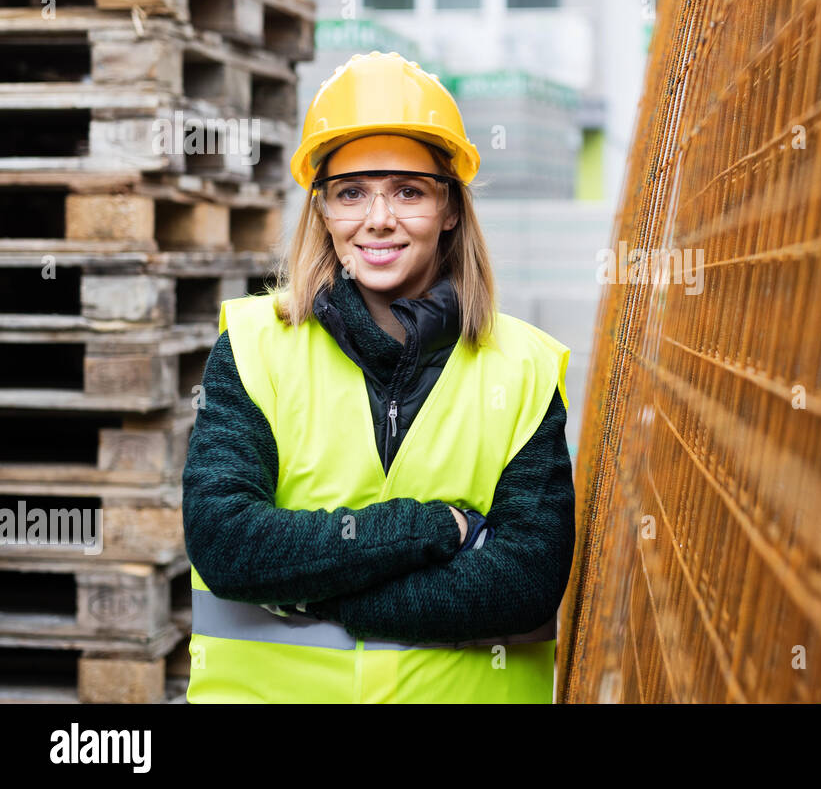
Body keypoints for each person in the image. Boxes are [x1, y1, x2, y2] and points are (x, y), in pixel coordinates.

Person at [182, 51, 575, 703]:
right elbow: (227, 543)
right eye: (352, 192)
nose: (378, 218)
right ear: (324, 213)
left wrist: (313, 589)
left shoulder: (524, 369)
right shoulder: (256, 347)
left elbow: (523, 583)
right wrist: (434, 530)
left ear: (451, 209)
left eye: (408, 191)